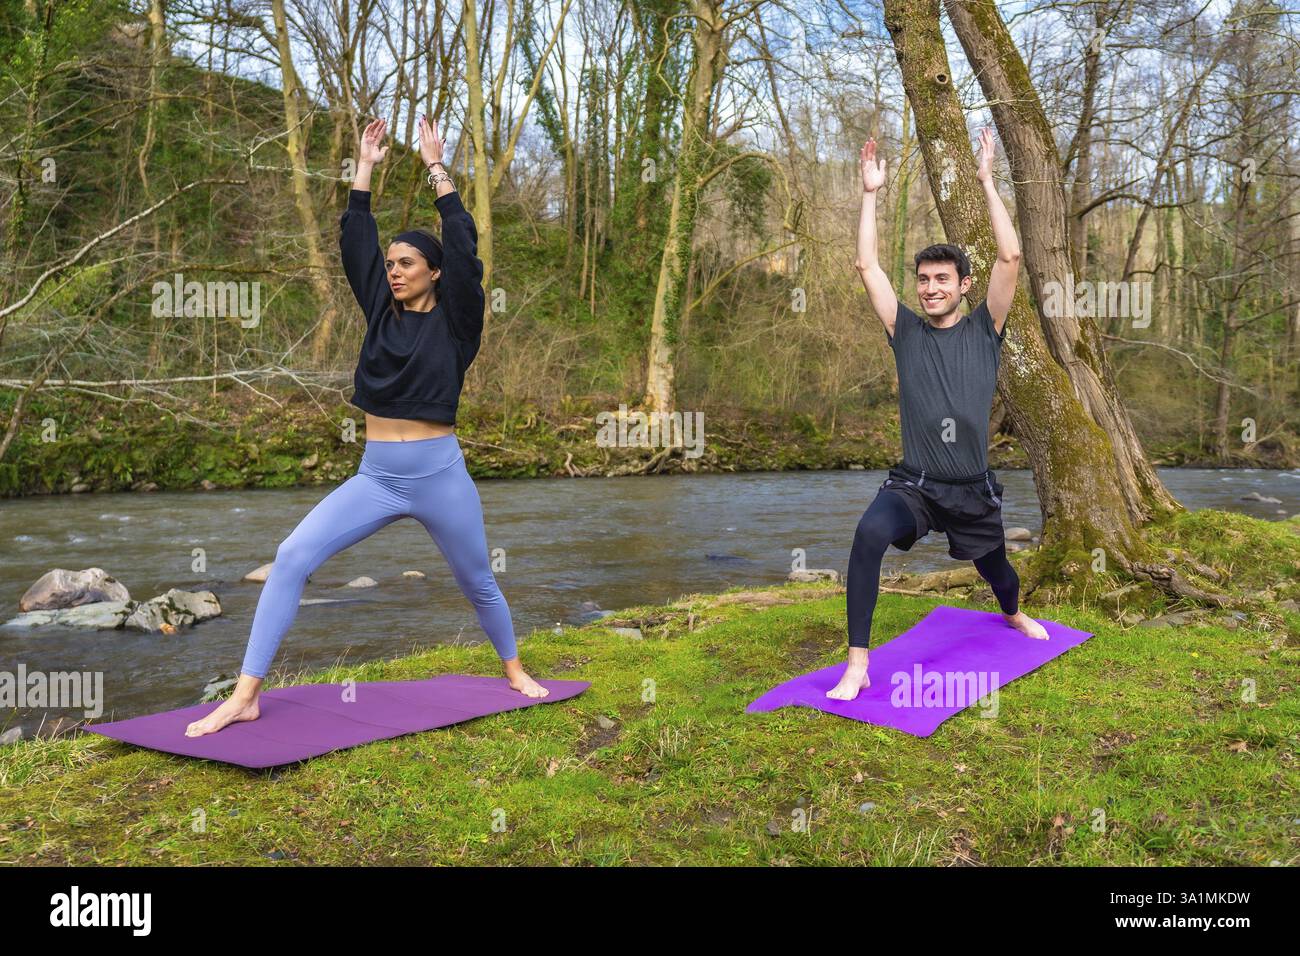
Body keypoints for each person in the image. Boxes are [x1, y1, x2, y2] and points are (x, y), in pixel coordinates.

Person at [187, 114, 548, 737]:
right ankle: (245, 693)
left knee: (478, 581)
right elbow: (355, 238)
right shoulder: (379, 310)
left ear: (434, 273)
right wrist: (364, 168)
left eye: (408, 262)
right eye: (391, 262)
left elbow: (462, 244)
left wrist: (438, 169)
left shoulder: (460, 323)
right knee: (291, 556)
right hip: (377, 476)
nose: (394, 270)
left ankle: (514, 671)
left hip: (440, 475)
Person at [827, 127, 1048, 703]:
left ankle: (1015, 613)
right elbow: (866, 265)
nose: (929, 289)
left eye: (941, 280)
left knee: (999, 574)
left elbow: (1011, 255)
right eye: (923, 280)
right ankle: (857, 664)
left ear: (963, 286)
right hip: (916, 487)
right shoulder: (905, 332)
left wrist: (987, 182)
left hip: (970, 490)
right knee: (868, 534)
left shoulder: (985, 328)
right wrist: (870, 193)